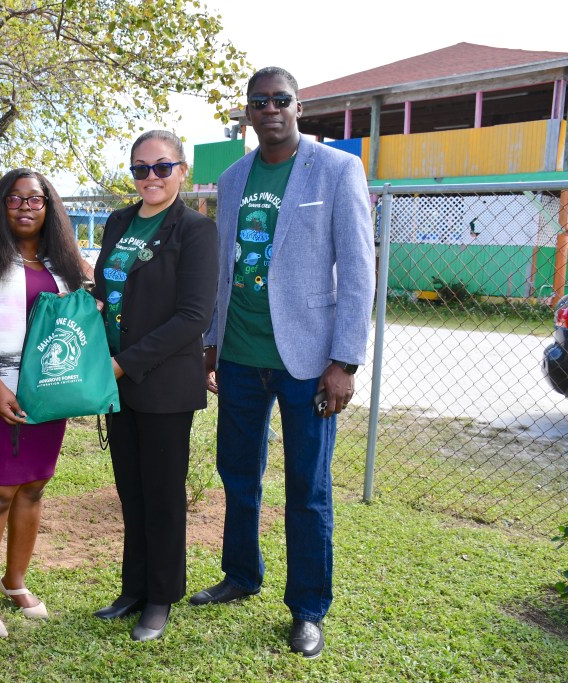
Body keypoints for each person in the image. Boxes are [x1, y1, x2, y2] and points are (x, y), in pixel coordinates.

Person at [189, 67, 375, 659]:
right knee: (238, 474)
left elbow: (358, 267)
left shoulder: (336, 169)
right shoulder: (233, 177)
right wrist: (212, 341)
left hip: (309, 361)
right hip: (240, 358)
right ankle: (242, 574)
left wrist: (345, 361)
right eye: (259, 101)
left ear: (299, 107)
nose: (269, 109)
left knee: (308, 487)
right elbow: (223, 268)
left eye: (280, 100)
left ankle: (308, 609)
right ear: (248, 112)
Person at [0, 169, 87, 637]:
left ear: (49, 207)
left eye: (35, 199)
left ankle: (15, 581)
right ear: (0, 205)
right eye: (14, 199)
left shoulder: (62, 262)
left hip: (49, 392)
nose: (25, 207)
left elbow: (84, 315)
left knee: (34, 488)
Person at [90, 130, 219, 642]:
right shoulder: (119, 222)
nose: (151, 177)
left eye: (162, 167)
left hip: (162, 384)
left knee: (163, 495)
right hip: (115, 380)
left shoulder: (196, 230)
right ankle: (134, 588)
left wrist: (123, 365)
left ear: (182, 171)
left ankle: (161, 597)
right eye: (141, 168)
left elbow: (193, 317)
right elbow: (107, 290)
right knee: (131, 491)